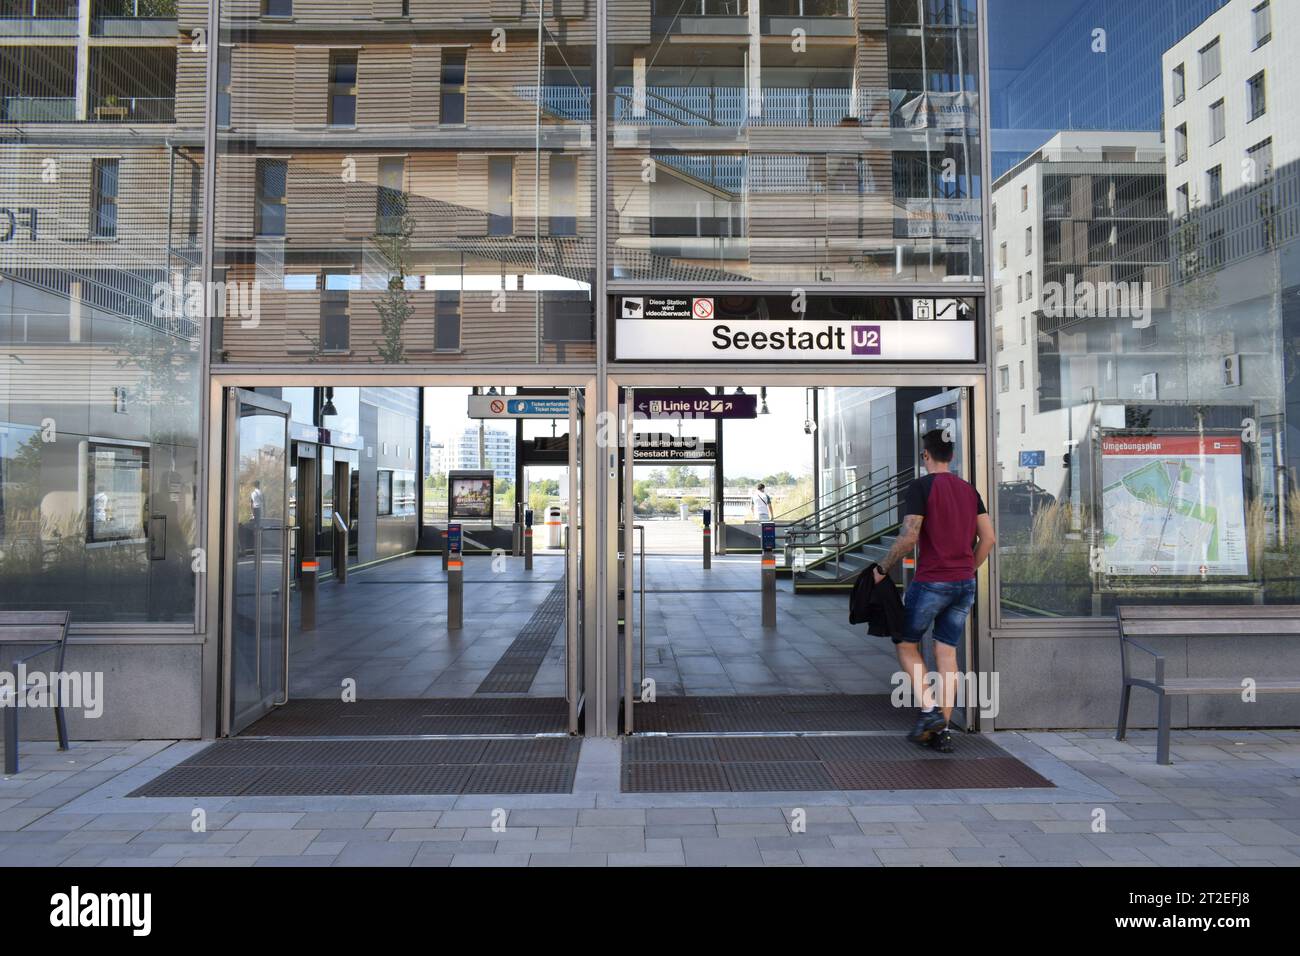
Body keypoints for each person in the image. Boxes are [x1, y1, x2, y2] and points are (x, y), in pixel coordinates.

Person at [872, 429, 996, 753]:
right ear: (951, 457)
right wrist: (968, 570)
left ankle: (929, 713)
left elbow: (910, 536)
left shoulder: (921, 487)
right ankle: (942, 729)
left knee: (906, 644)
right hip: (963, 584)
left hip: (931, 581)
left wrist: (882, 568)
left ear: (925, 455)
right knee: (947, 654)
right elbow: (990, 539)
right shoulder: (970, 490)